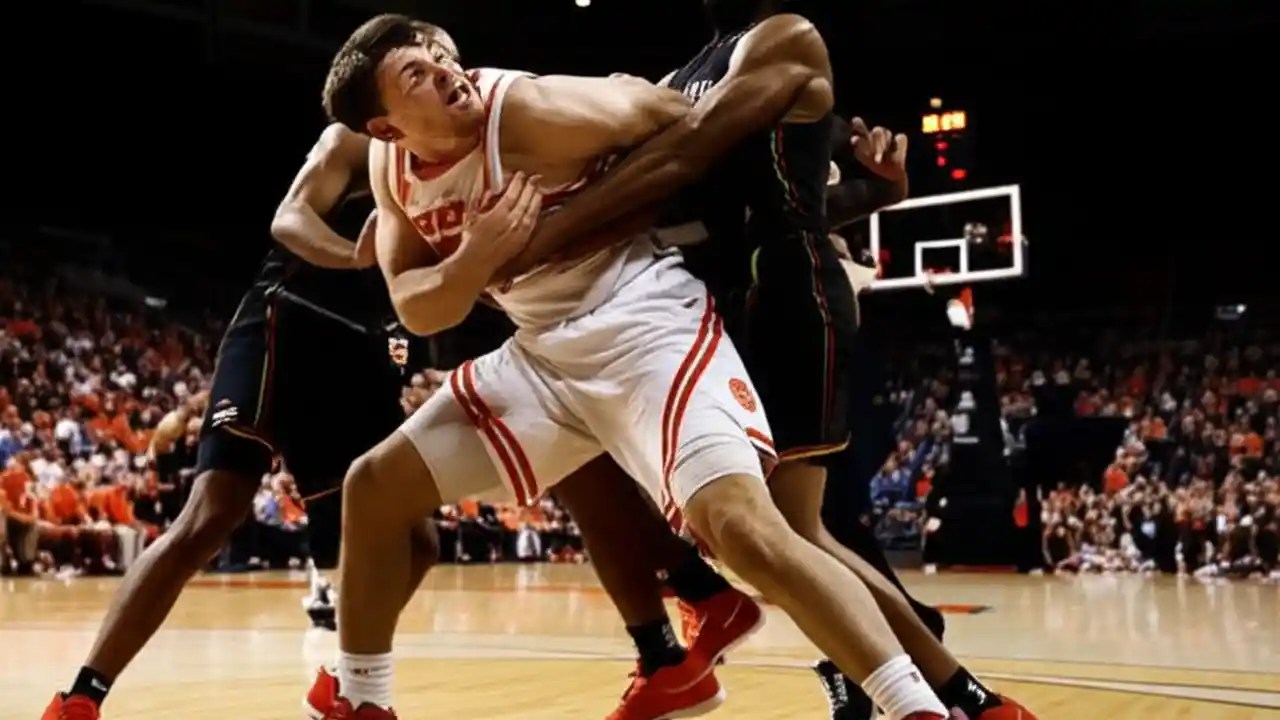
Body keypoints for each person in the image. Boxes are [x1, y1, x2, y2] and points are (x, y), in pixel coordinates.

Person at [313, 13, 947, 720]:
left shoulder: (530, 109)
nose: (445, 74)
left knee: (744, 527)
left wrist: (827, 180)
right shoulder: (389, 166)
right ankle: (362, 699)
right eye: (418, 78)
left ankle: (914, 704)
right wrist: (476, 257)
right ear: (388, 129)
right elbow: (421, 309)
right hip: (544, 352)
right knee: (372, 488)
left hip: (643, 323)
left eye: (439, 57)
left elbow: (680, 121)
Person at [517, 2, 1035, 719]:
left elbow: (688, 161)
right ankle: (744, 614)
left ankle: (958, 692)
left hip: (791, 289)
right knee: (739, 516)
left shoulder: (786, 37)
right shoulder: (684, 72)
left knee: (794, 530)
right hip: (718, 293)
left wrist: (540, 239)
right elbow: (706, 198)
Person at [40, 123, 411, 720]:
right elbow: (288, 220)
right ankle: (81, 697)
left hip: (363, 352)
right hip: (289, 319)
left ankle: (346, 683)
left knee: (415, 540)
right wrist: (354, 255)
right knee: (212, 512)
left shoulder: (464, 174)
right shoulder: (359, 142)